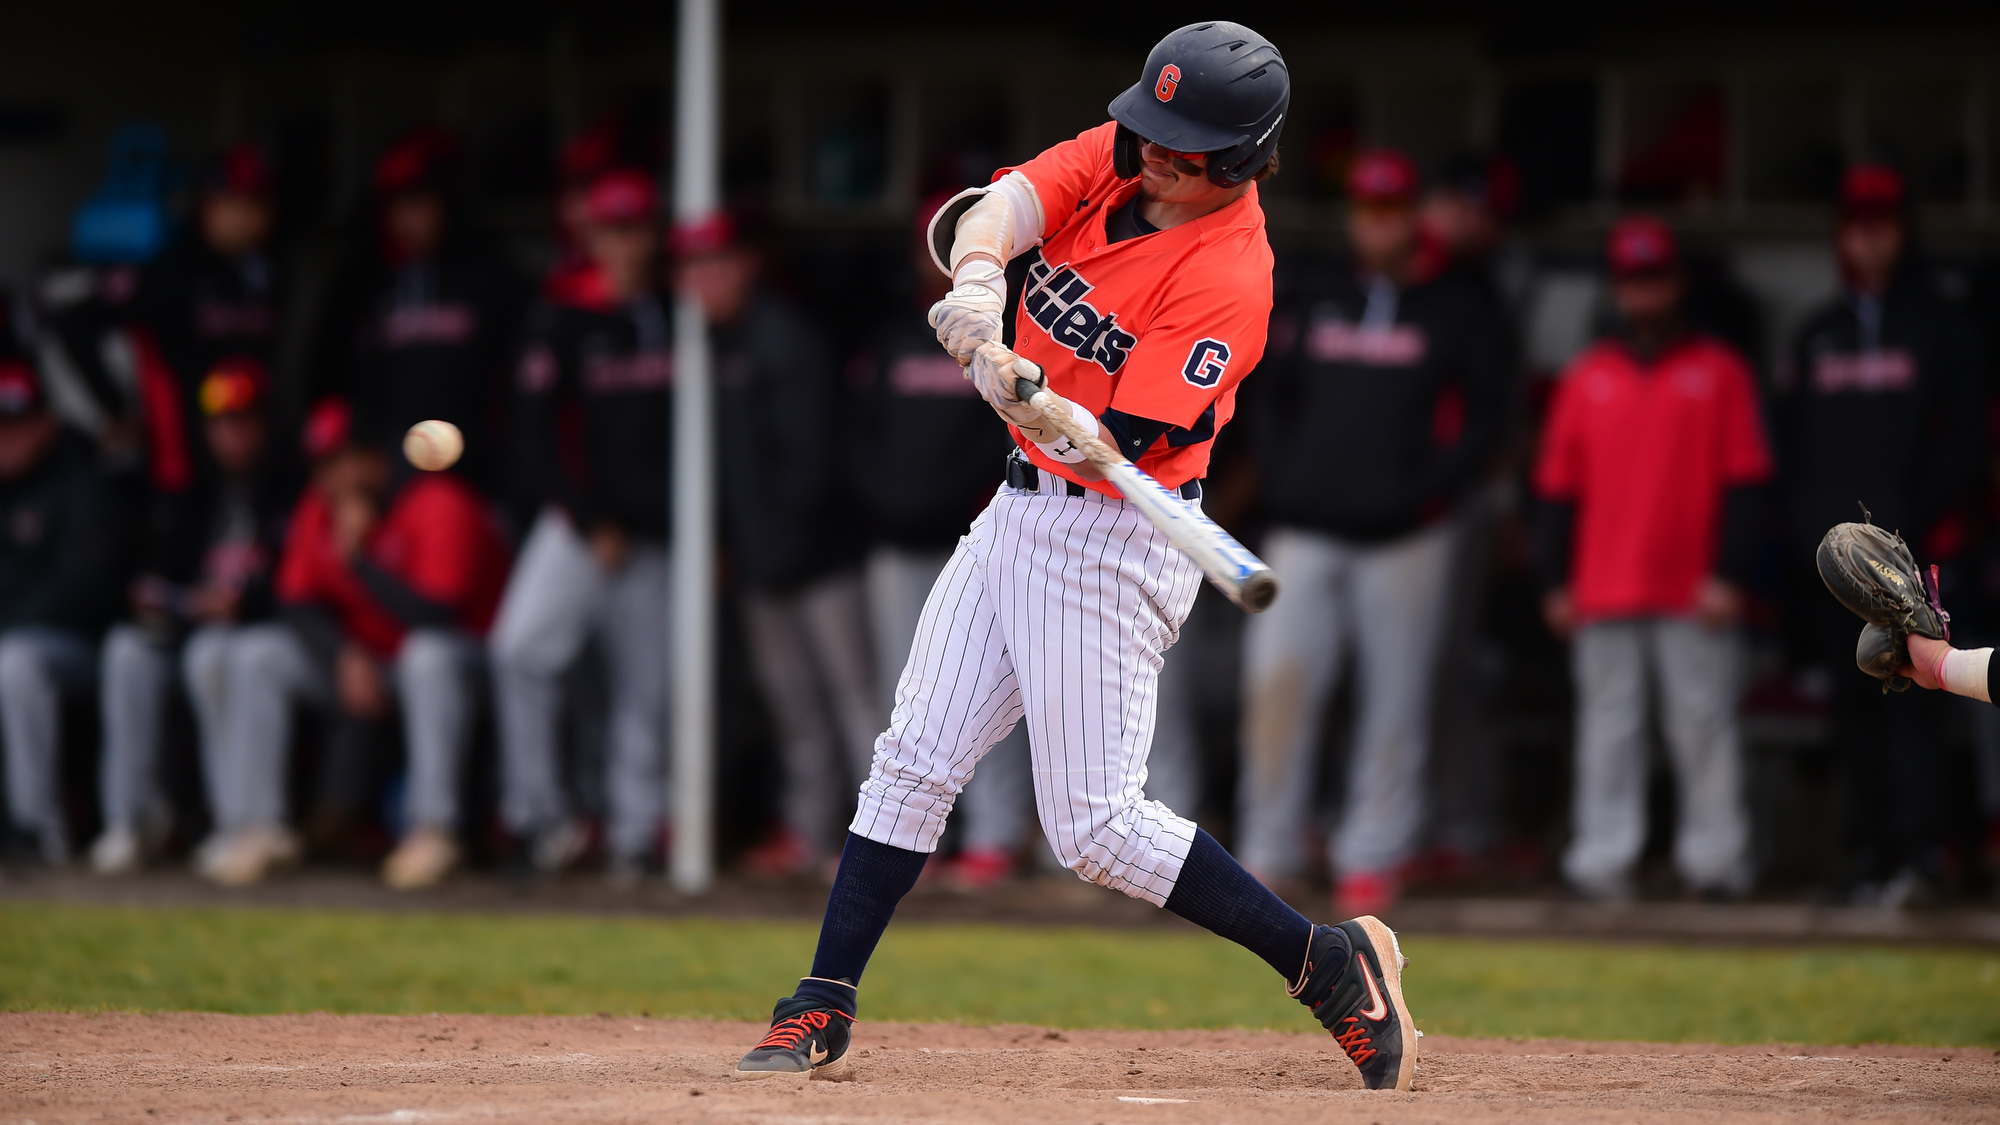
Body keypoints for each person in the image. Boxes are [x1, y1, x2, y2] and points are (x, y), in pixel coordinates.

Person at [733, 23, 1418, 1093]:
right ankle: (818, 1004)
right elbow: (1004, 205)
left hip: (1113, 535)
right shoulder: (1123, 150)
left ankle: (1323, 963)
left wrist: (1023, 390)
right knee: (912, 757)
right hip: (1018, 512)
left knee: (1094, 830)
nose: (1151, 152)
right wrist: (974, 286)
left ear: (1237, 163)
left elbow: (1127, 442)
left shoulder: (1227, 276)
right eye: (1149, 127)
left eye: (1181, 147)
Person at [1235, 148, 1513, 915]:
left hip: (1409, 534)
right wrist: (1284, 483)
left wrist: (1425, 495)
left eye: (1391, 209)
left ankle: (1372, 852)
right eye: (1366, 208)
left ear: (1415, 213)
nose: (1376, 223)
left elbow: (1485, 416)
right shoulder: (1318, 288)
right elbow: (1266, 395)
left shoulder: (1458, 301)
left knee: (1398, 700)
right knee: (1279, 686)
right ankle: (1271, 850)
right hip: (1306, 525)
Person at [1534, 217, 1772, 901]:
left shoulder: (1721, 371)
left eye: (1656, 279)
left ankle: (1717, 864)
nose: (1645, 295)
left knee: (1704, 731)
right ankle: (1602, 864)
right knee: (1609, 734)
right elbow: (1555, 492)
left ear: (1678, 283)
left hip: (1694, 589)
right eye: (1633, 282)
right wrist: (1556, 583)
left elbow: (1747, 484)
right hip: (1603, 585)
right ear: (1617, 289)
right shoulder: (1585, 377)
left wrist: (1729, 574)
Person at [1772, 162, 1985, 904]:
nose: (1868, 237)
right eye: (1856, 222)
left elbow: (1965, 446)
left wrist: (1904, 538)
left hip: (1919, 561)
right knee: (1854, 709)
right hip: (1836, 570)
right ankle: (1870, 854)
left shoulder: (1942, 327)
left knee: (1918, 704)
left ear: (1903, 229)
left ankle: (1925, 856)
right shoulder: (1818, 335)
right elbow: (1793, 454)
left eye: (1883, 222)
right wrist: (1816, 548)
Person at [198, 400, 508, 887]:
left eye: (342, 461)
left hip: (467, 666)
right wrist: (343, 654)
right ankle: (256, 827)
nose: (330, 478)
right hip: (372, 662)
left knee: (427, 657)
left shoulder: (437, 500)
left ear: (375, 459)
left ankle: (434, 829)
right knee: (258, 653)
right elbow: (294, 601)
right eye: (321, 464)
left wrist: (361, 562)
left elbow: (436, 613)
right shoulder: (319, 510)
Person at [676, 213, 880, 878]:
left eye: (718, 264)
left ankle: (889, 843)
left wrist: (772, 553)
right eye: (694, 269)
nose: (706, 281)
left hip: (822, 559)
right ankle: (814, 834)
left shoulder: (786, 337)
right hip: (766, 563)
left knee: (860, 704)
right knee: (794, 707)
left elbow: (813, 466)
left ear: (746, 264)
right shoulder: (710, 342)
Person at [490, 169, 675, 878]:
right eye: (612, 230)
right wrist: (589, 515)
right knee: (519, 651)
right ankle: (541, 818)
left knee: (645, 691)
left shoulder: (674, 309)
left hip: (657, 535)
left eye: (635, 229)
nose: (624, 244)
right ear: (590, 235)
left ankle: (633, 831)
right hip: (579, 529)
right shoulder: (561, 315)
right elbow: (535, 434)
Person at [851, 198, 1029, 889]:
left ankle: (994, 833)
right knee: (911, 700)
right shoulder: (894, 337)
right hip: (900, 542)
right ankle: (914, 845)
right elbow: (860, 437)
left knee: (989, 696)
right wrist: (886, 505)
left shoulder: (1011, 334)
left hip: (984, 540)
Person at [87, 357, 292, 875]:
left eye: (243, 422)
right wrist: (162, 596)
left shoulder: (289, 487)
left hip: (263, 632)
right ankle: (130, 822)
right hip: (193, 627)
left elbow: (296, 584)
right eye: (220, 424)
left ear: (266, 424)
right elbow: (161, 571)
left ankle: (239, 825)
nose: (231, 436)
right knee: (127, 650)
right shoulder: (195, 493)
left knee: (218, 654)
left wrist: (244, 602)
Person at [307, 129, 524, 498]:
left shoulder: (493, 281)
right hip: (385, 480)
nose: (408, 218)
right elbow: (333, 382)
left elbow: (517, 393)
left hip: (477, 479)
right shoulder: (367, 288)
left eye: (420, 201)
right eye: (397, 205)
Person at [0, 360, 125, 864]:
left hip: (78, 645)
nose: (6, 437)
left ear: (47, 422)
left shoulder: (82, 479)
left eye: (17, 423)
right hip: (15, 636)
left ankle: (39, 829)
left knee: (14, 664)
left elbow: (82, 591)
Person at [123, 143, 279, 496]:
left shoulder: (268, 273)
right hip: (181, 452)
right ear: (208, 205)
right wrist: (113, 412)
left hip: (254, 451)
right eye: (233, 203)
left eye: (255, 204)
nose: (244, 217)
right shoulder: (173, 270)